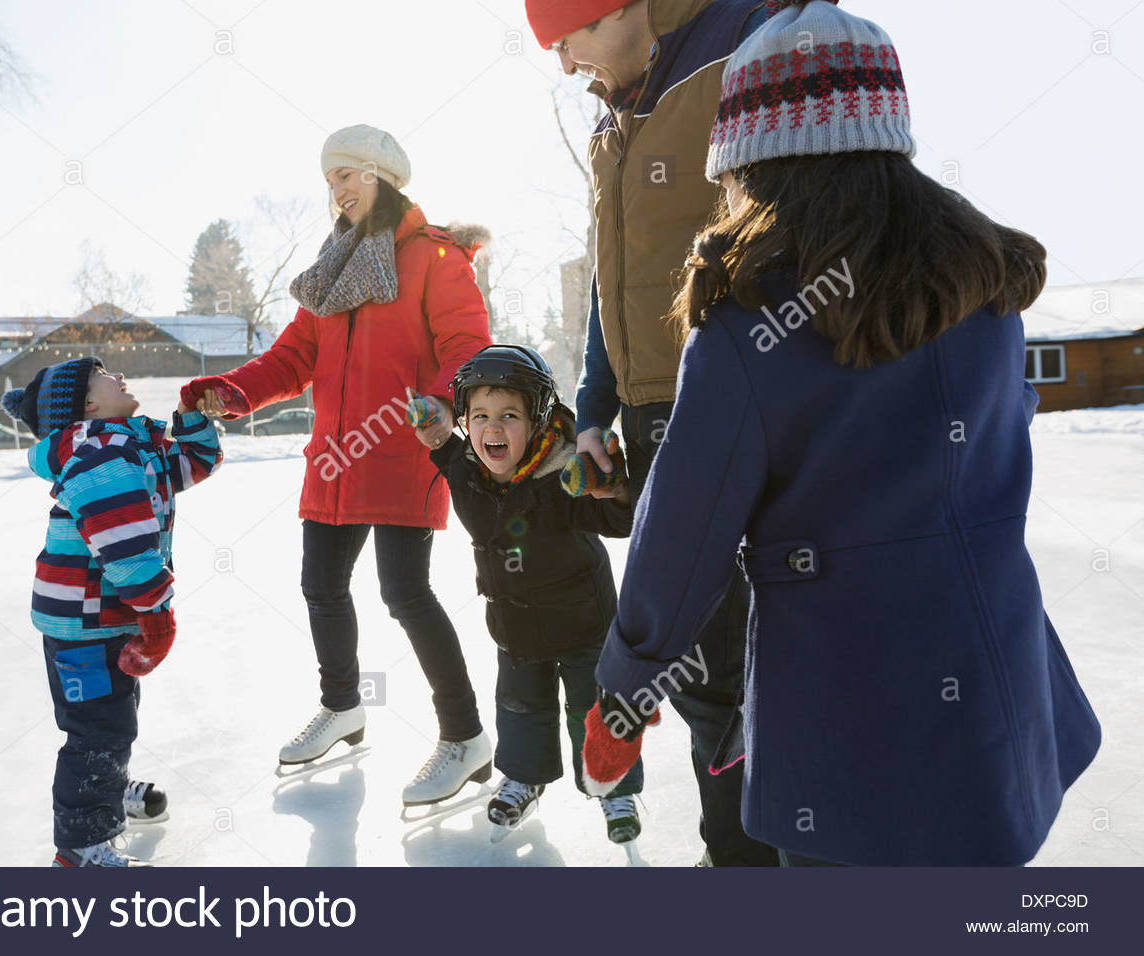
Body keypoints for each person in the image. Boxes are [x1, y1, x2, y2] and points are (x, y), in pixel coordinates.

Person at [587, 0, 1102, 865]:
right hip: (1001, 690)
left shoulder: (748, 323)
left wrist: (625, 694)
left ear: (754, 161)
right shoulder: (984, 287)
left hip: (850, 730)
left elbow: (683, 533)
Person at [525, 0, 778, 866]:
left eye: (569, 39)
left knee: (767, 647)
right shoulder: (617, 121)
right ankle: (735, 851)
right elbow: (609, 285)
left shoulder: (747, 44)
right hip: (652, 412)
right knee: (705, 651)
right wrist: (596, 407)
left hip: (739, 396)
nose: (562, 65)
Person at [182, 125, 493, 806]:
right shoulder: (331, 269)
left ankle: (466, 737)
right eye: (330, 179)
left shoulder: (435, 257)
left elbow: (467, 345)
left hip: (404, 447)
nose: (338, 189)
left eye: (349, 174)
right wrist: (233, 391)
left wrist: (442, 403)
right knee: (320, 584)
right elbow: (293, 359)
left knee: (405, 593)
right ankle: (344, 707)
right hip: (333, 457)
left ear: (383, 177)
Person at [1, 357, 222, 867]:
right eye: (102, 373)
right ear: (86, 405)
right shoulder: (100, 453)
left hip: (102, 614)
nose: (118, 374)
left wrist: (190, 416)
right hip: (84, 621)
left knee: (114, 713)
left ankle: (106, 788)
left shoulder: (130, 442)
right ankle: (82, 845)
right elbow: (123, 544)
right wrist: (156, 613)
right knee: (99, 728)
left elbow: (192, 465)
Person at [418, 345, 643, 843]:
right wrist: (432, 424)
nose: (492, 429)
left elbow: (620, 520)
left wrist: (615, 488)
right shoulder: (466, 469)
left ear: (538, 419)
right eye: (480, 416)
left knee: (597, 712)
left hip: (584, 623)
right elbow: (440, 441)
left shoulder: (563, 477)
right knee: (520, 707)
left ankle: (615, 789)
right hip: (515, 627)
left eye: (509, 416)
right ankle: (524, 776)